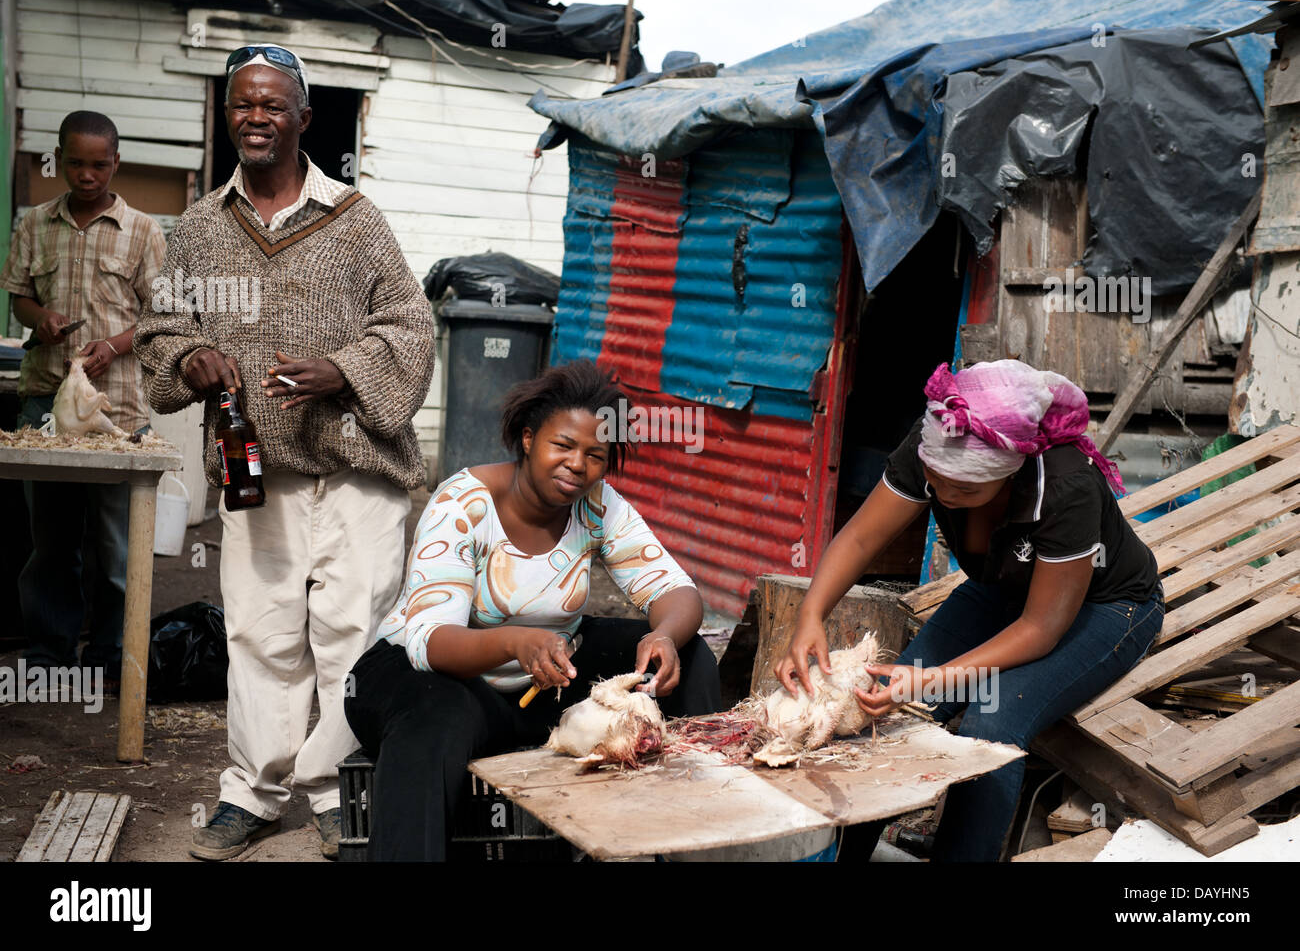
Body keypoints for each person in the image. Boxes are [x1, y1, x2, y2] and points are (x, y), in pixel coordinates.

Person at [134, 45, 435, 860]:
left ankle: (343, 792)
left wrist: (343, 370)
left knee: (353, 635)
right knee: (262, 636)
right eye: (242, 105)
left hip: (355, 471)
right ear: (226, 115)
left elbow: (411, 328)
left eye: (273, 105)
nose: (256, 117)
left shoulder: (356, 219)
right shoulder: (198, 226)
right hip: (253, 472)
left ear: (305, 118)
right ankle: (252, 795)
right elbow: (163, 329)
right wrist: (189, 357)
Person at [775, 359, 1164, 862]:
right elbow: (862, 537)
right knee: (880, 710)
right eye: (936, 482)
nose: (943, 497)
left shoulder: (1065, 486)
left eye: (965, 491)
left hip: (1108, 606)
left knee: (992, 722)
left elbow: (1042, 628)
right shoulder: (938, 435)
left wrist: (934, 678)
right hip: (1004, 591)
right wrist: (810, 617)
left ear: (1011, 471)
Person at [344, 359, 722, 861]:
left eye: (595, 454)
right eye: (562, 446)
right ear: (527, 439)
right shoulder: (463, 503)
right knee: (437, 713)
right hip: (428, 676)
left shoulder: (596, 504)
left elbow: (675, 591)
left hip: (542, 684)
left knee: (690, 656)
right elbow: (433, 641)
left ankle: (696, 834)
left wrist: (666, 635)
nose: (576, 465)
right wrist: (515, 641)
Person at [0, 110, 165, 681]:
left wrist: (113, 346)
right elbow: (18, 297)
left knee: (117, 549)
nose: (87, 174)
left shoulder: (143, 231)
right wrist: (40, 318)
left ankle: (111, 657)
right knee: (50, 543)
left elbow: (161, 315)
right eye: (75, 163)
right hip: (44, 405)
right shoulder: (34, 223)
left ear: (115, 163)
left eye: (99, 164)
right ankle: (50, 655)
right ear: (60, 159)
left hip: (115, 410)